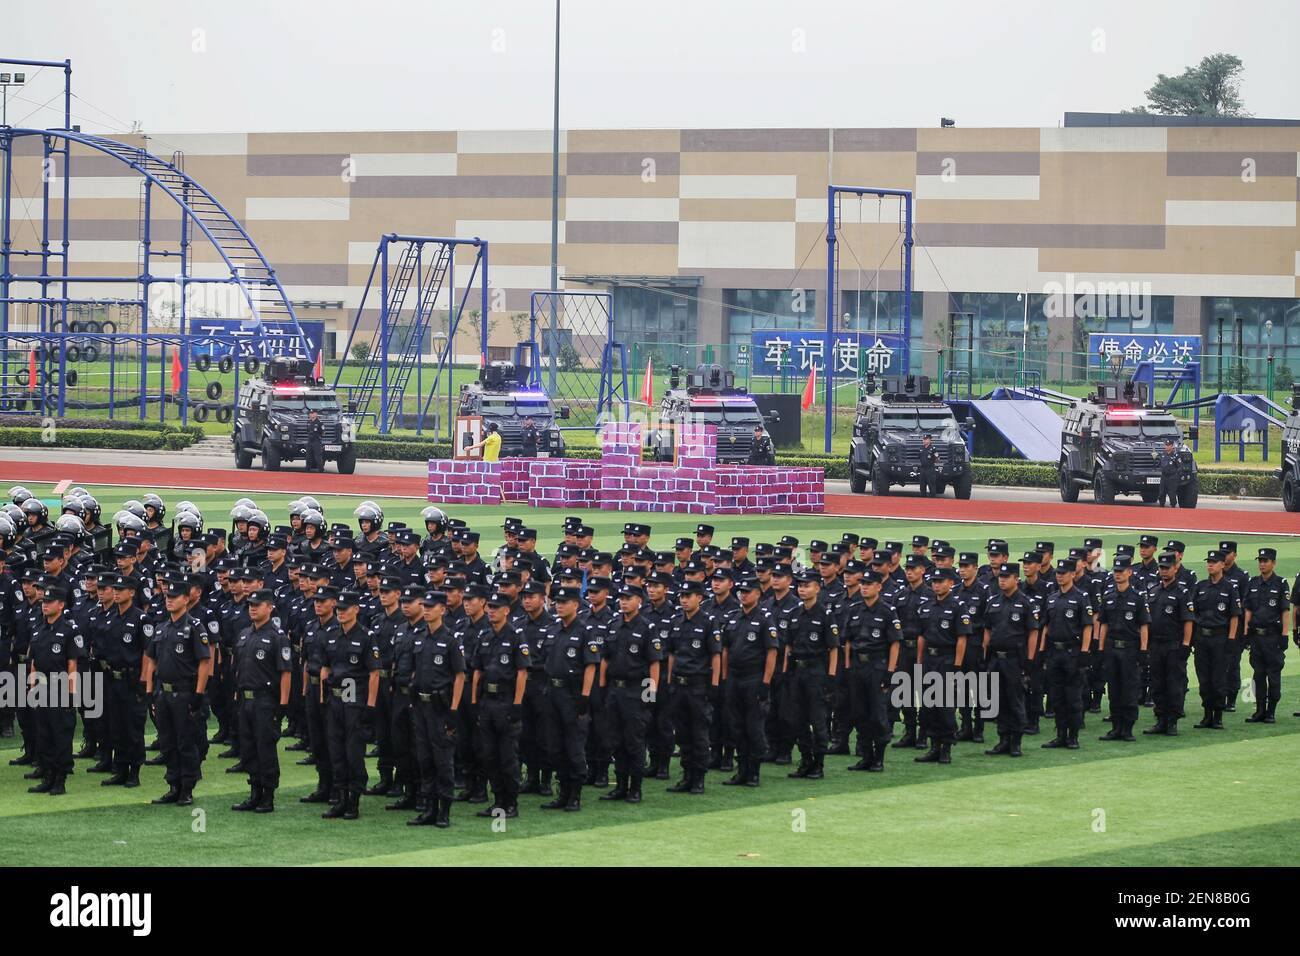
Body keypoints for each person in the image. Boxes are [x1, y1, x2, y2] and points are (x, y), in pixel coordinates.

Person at [144, 580, 213, 806]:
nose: (170, 600)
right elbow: (152, 659)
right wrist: (149, 690)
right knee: (167, 741)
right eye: (167, 597)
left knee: (186, 742)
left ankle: (187, 787)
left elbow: (204, 661)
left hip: (184, 693)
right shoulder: (162, 627)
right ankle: (173, 784)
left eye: (174, 596)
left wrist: (199, 694)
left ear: (186, 599)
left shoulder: (195, 626)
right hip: (163, 693)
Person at [230, 588, 292, 813]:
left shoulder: (278, 637)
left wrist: (283, 705)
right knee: (248, 748)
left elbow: (285, 673)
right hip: (246, 700)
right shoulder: (245, 634)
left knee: (265, 748)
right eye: (250, 605)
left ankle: (268, 795)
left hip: (266, 701)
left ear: (270, 607)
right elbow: (238, 668)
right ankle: (254, 791)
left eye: (258, 604)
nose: (253, 608)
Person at [320, 589, 381, 820]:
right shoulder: (332, 634)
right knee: (336, 750)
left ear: (356, 609)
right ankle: (341, 797)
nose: (341, 613)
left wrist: (371, 706)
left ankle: (353, 799)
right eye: (338, 610)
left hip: (353, 695)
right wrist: (323, 696)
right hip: (335, 696)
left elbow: (374, 673)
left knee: (353, 751)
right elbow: (325, 668)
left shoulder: (365, 636)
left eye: (345, 610)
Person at [407, 590, 465, 827]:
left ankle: (444, 810)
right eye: (425, 606)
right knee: (425, 759)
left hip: (441, 708)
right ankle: (429, 808)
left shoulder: (450, 640)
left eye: (431, 606)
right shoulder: (419, 637)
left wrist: (453, 710)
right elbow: (414, 670)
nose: (427, 609)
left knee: (443, 760)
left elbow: (460, 676)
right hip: (421, 705)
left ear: (442, 609)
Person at [26, 583, 86, 795]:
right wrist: (32, 687)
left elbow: (72, 665)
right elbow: (33, 661)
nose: (45, 605)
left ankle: (60, 779)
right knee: (44, 734)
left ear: (60, 605)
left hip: (60, 687)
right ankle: (48, 775)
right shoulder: (39, 628)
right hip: (42, 686)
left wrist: (72, 694)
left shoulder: (69, 630)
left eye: (49, 602)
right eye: (44, 602)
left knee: (60, 734)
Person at [983, 564, 1039, 757]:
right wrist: (986, 654)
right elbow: (988, 630)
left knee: (1015, 700)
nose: (1002, 580)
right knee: (999, 701)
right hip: (996, 658)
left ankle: (1016, 742)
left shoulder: (1025, 602)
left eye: (1007, 577)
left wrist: (1030, 660)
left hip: (1015, 660)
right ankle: (1003, 739)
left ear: (1017, 579)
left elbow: (1033, 632)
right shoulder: (994, 601)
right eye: (1001, 577)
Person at [1039, 560, 1092, 749]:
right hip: (1054, 652)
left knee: (1073, 697)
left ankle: (1073, 736)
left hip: (1072, 652)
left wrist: (1085, 651)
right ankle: (1060, 734)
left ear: (1072, 574)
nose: (1059, 575)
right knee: (1057, 697)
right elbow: (1045, 626)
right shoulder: (1052, 598)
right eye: (1058, 573)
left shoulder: (1081, 597)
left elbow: (1087, 626)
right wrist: (1042, 650)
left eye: (1063, 573)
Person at [1095, 557, 1149, 742]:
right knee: (1114, 689)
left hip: (1129, 649)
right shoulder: (1108, 597)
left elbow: (1143, 625)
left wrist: (1143, 650)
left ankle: (1127, 728)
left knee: (1129, 689)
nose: (1118, 574)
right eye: (1116, 571)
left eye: (1121, 571)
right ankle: (1115, 727)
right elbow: (1103, 624)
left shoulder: (1137, 598)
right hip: (1112, 648)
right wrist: (1101, 648)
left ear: (1129, 573)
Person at [1144, 552, 1195, 736]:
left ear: (1175, 568)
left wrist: (1186, 645)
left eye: (1167, 568)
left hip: (1174, 646)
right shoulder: (1154, 591)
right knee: (1157, 684)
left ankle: (1172, 721)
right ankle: (1160, 720)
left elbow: (1188, 620)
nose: (1164, 571)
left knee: (1174, 684)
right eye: (1161, 568)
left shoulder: (1182, 593)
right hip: (1156, 645)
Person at [1192, 551, 1242, 730]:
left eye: (1214, 562)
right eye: (1209, 562)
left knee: (1219, 679)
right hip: (1202, 638)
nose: (1210, 565)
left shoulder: (1229, 588)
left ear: (1222, 564)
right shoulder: (1200, 586)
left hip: (1220, 638)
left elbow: (1235, 616)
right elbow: (1194, 612)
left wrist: (1231, 639)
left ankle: (1218, 716)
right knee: (1204, 678)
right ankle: (1207, 715)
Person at [1243, 548, 1289, 724]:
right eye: (1260, 561)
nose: (1262, 564)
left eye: (1266, 561)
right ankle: (1260, 710)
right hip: (1256, 637)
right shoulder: (1253, 582)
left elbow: (1285, 611)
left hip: (1272, 637)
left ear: (1273, 563)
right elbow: (1248, 609)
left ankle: (1271, 711)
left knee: (1273, 674)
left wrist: (1285, 635)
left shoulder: (1280, 583)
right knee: (1258, 674)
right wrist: (1246, 631)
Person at [1157, 438, 1180, 507]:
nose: (1167, 446)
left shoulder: (1175, 455)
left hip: (1172, 477)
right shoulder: (1162, 455)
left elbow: (1179, 467)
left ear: (1172, 446)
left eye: (1168, 445)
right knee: (1161, 492)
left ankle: (1173, 505)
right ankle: (1161, 504)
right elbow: (1159, 464)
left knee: (1172, 493)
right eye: (1166, 445)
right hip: (1164, 476)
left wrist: (1176, 475)